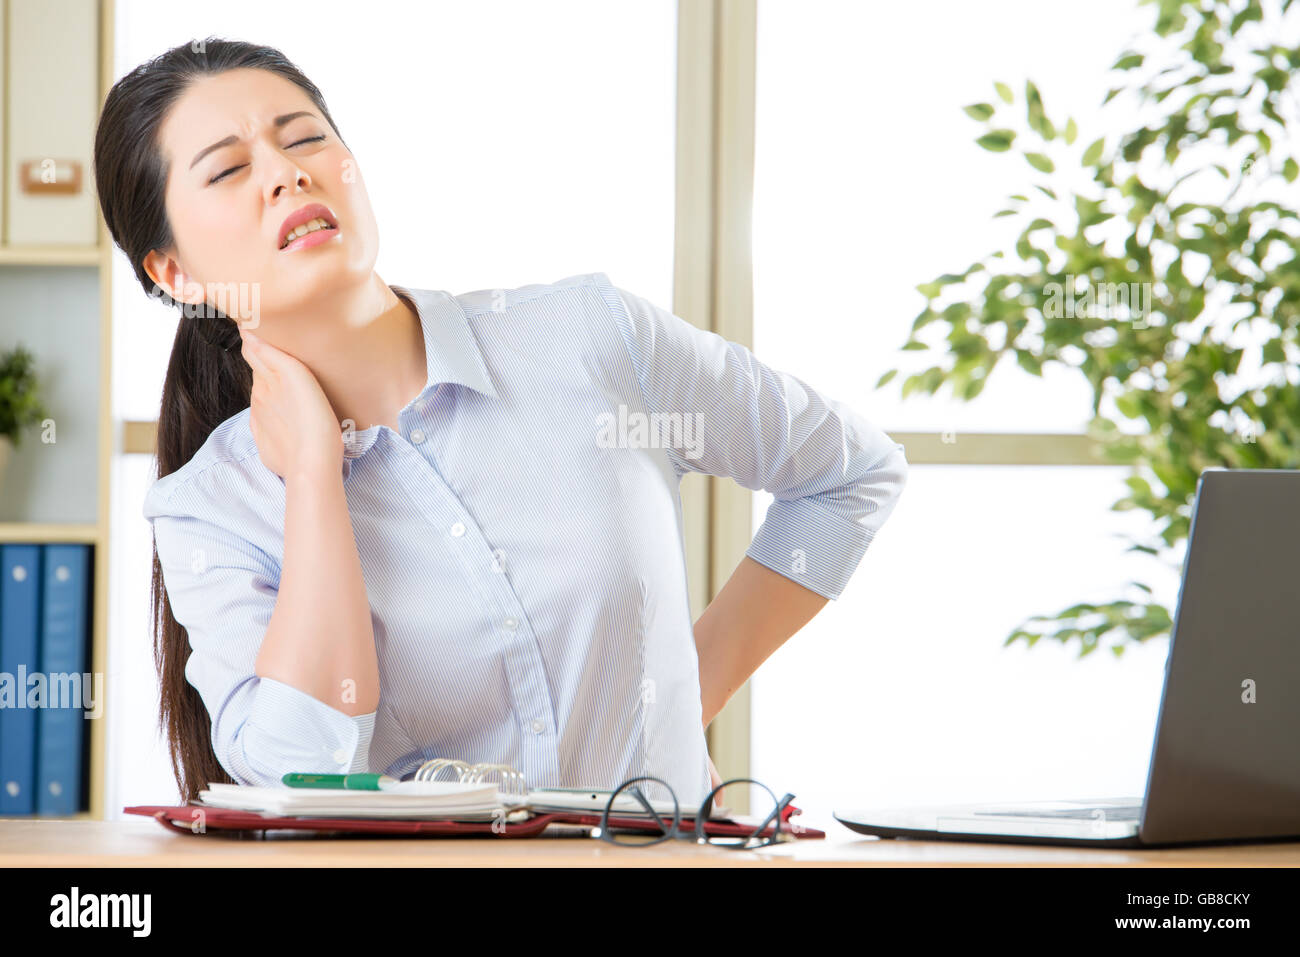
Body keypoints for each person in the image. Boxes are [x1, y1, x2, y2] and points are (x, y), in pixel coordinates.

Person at [93, 37, 909, 809]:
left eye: (304, 139)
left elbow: (849, 474)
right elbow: (301, 771)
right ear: (175, 272)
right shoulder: (210, 508)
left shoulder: (589, 338)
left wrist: (687, 693)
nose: (284, 174)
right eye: (229, 169)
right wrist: (312, 478)